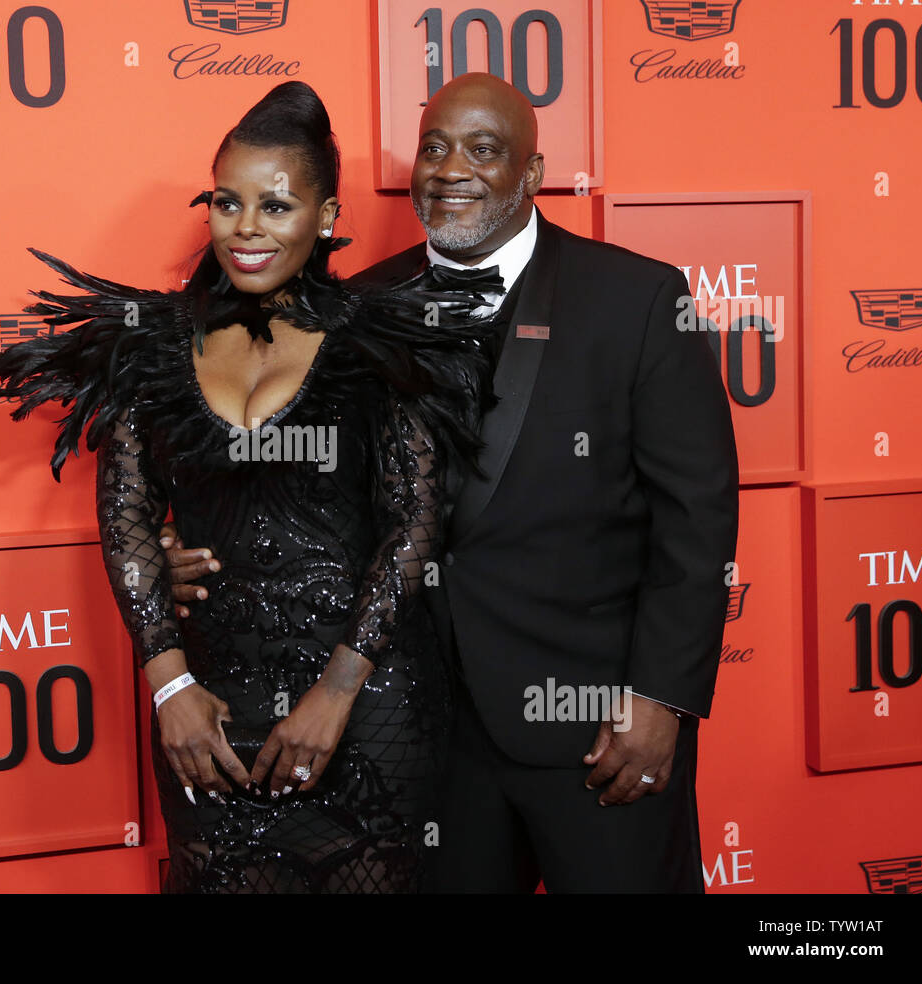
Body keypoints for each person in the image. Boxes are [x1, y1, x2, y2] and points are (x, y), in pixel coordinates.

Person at [163, 73, 740, 892]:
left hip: (596, 724)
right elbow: (293, 487)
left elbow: (699, 517)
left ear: (533, 175)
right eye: (433, 148)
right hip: (414, 734)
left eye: (482, 149)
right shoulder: (352, 311)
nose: (450, 168)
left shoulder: (638, 300)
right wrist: (175, 546)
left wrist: (663, 699)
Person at [0, 81, 495, 893]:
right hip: (209, 710)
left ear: (326, 218)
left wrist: (334, 694)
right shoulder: (150, 345)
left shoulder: (378, 347)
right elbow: (126, 521)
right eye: (227, 202)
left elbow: (412, 533)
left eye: (277, 206)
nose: (247, 228)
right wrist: (171, 687)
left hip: (367, 703)